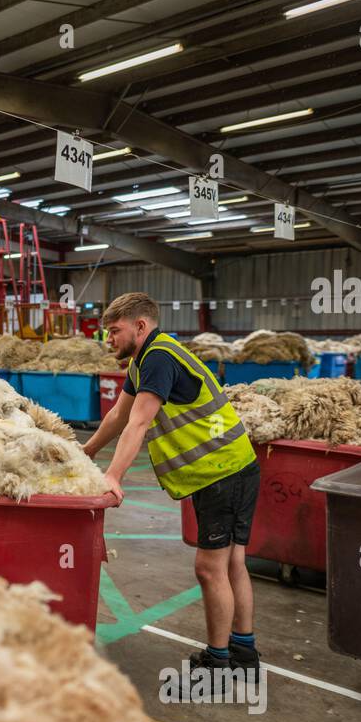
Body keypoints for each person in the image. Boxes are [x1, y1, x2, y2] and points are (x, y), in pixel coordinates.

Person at [83, 292, 261, 681]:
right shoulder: (147, 359)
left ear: (140, 326)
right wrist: (87, 451)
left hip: (222, 473)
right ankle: (243, 652)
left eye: (115, 331)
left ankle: (219, 664)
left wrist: (113, 475)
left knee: (209, 569)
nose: (108, 339)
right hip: (234, 466)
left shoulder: (159, 359)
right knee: (232, 564)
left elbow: (139, 422)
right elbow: (118, 414)